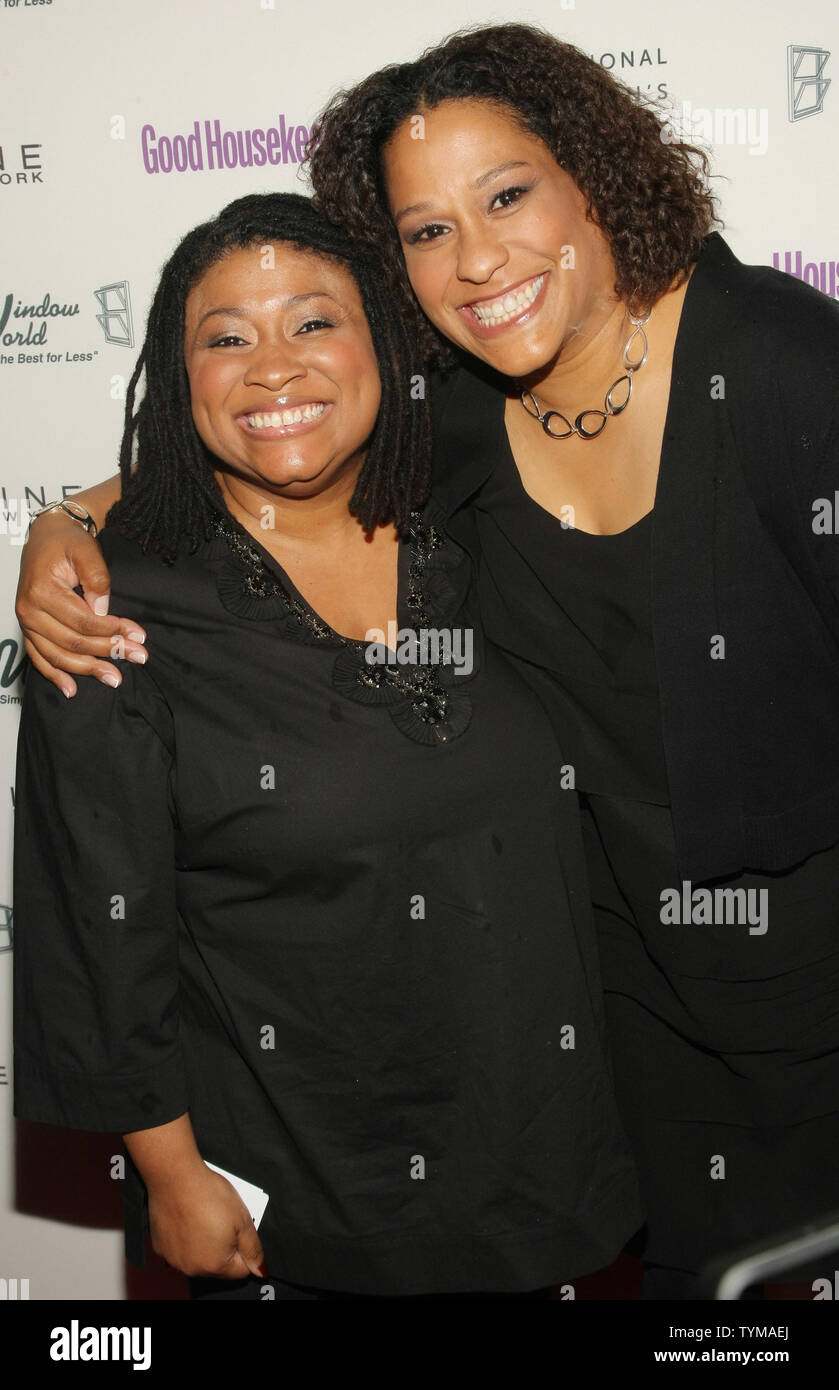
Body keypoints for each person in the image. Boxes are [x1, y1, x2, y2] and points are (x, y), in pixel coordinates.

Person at [17, 25, 839, 1301]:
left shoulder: (782, 375)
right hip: (613, 1062)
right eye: (424, 231)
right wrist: (65, 518)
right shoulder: (460, 419)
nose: (476, 259)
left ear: (591, 174)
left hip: (787, 1027)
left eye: (504, 195)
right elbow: (271, 428)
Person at [12, 191, 642, 1300]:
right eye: (226, 339)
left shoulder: (486, 517)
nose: (272, 367)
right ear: (179, 375)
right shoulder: (114, 607)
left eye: (313, 322)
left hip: (548, 1170)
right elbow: (94, 933)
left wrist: (61, 509)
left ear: (384, 349)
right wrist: (168, 1170)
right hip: (300, 1206)